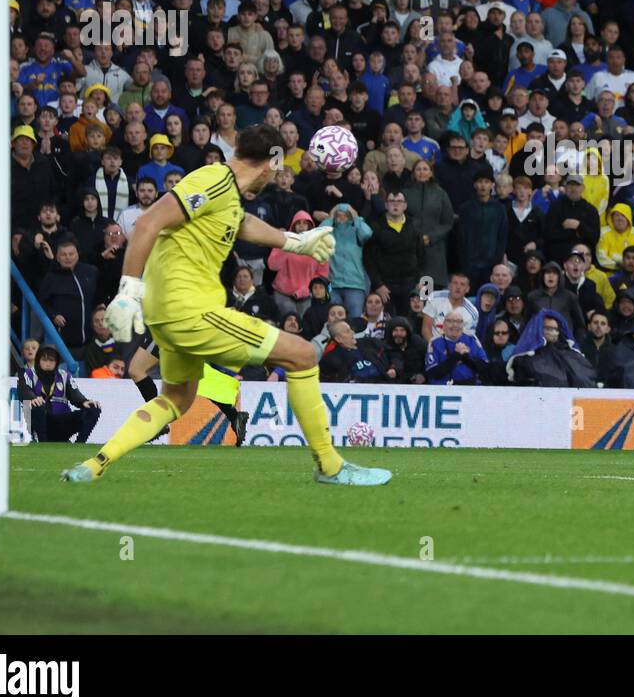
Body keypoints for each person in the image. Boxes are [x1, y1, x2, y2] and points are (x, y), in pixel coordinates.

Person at [68, 123, 390, 486]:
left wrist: (294, 242)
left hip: (169, 316)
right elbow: (147, 223)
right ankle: (330, 466)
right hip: (191, 312)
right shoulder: (213, 181)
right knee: (302, 355)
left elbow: (242, 223)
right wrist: (127, 292)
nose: (274, 178)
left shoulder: (225, 194)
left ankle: (95, 463)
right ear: (270, 161)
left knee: (177, 398)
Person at [19, 345, 102, 443]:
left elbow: (75, 394)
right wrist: (32, 398)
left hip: (62, 421)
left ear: (57, 362)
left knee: (94, 409)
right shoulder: (28, 373)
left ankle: (80, 444)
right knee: (37, 405)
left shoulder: (64, 375)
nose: (48, 364)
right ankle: (42, 443)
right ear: (38, 360)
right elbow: (23, 389)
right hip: (41, 422)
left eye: (51, 360)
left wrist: (84, 401)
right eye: (44, 360)